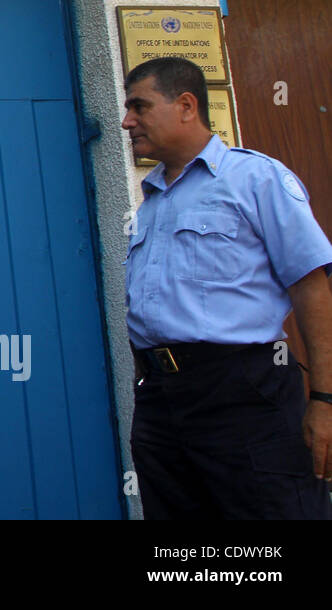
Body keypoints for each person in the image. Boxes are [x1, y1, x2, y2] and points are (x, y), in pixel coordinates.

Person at [121, 56, 332, 519]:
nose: (126, 121)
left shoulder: (254, 179)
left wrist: (325, 401)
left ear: (186, 105)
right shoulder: (153, 201)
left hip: (242, 391)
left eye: (139, 106)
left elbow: (311, 287)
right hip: (160, 394)